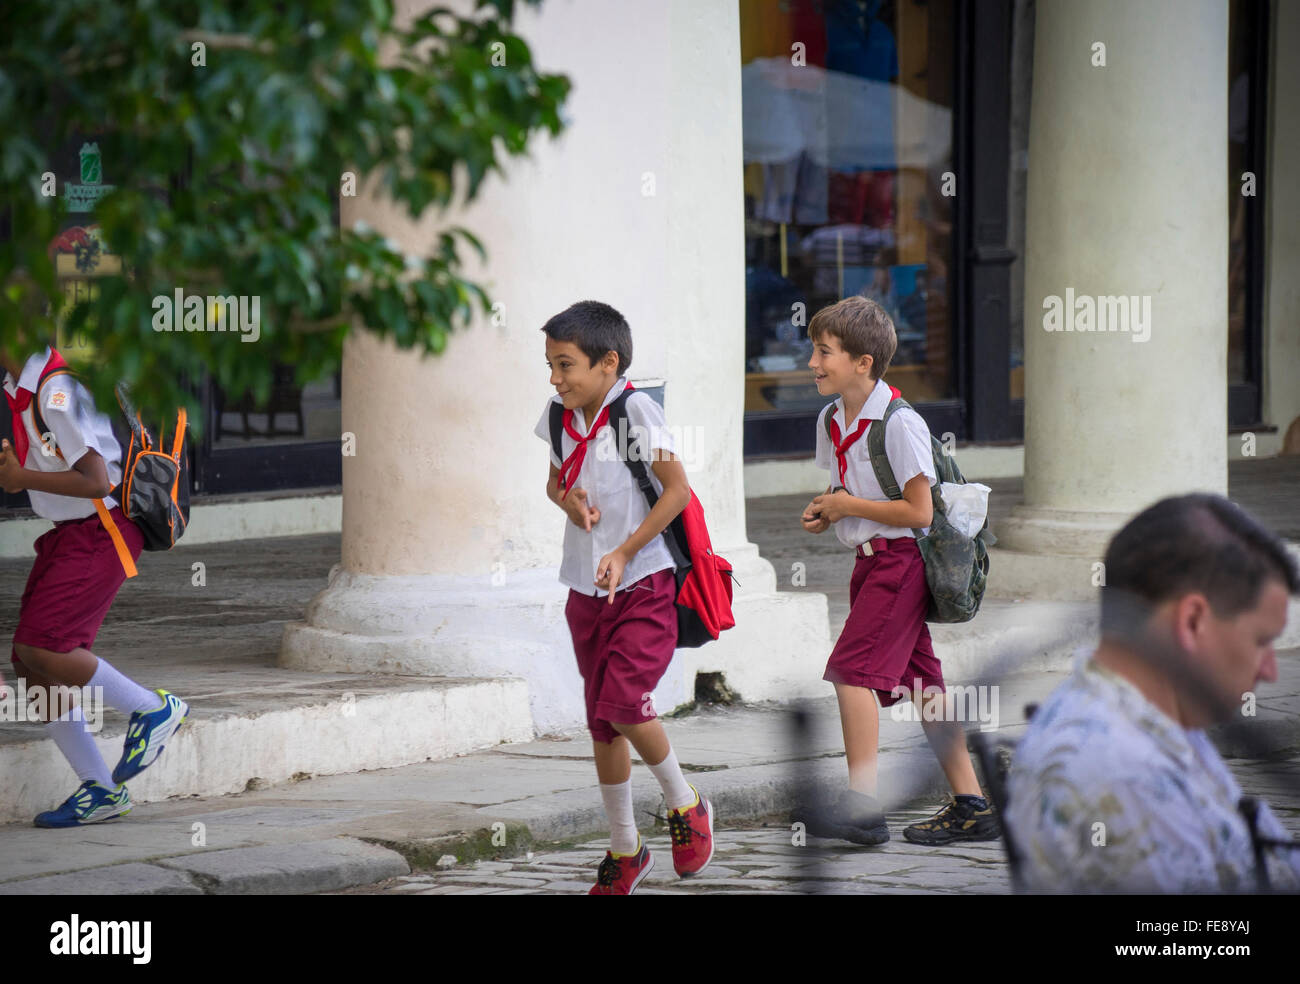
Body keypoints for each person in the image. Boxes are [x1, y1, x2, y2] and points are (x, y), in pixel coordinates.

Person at [1005, 494, 1300, 893]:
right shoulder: (1121, 772)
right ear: (1193, 620)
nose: (1270, 669)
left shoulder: (1160, 716)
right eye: (1262, 641)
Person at [795, 295, 995, 845]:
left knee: (852, 674)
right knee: (926, 687)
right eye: (814, 350)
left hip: (901, 564)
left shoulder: (899, 423)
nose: (812, 363)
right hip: (869, 566)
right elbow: (849, 491)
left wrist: (847, 507)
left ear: (863, 362)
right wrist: (828, 506)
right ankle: (973, 805)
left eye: (824, 352)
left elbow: (918, 512)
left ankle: (862, 806)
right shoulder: (832, 417)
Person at [533, 300, 715, 894]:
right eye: (551, 366)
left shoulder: (633, 410)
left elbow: (677, 492)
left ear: (608, 363)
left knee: (623, 701)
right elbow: (556, 480)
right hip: (584, 588)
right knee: (602, 724)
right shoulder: (561, 417)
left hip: (645, 582)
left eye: (566, 366)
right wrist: (572, 504)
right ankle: (625, 848)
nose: (556, 379)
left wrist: (624, 550)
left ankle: (685, 805)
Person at [1, 337, 189, 828]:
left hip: (101, 530)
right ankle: (100, 790)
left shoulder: (55, 387)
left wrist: (20, 478)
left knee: (46, 648)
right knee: (30, 662)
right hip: (73, 532)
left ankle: (152, 709)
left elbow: (96, 480)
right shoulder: (22, 383)